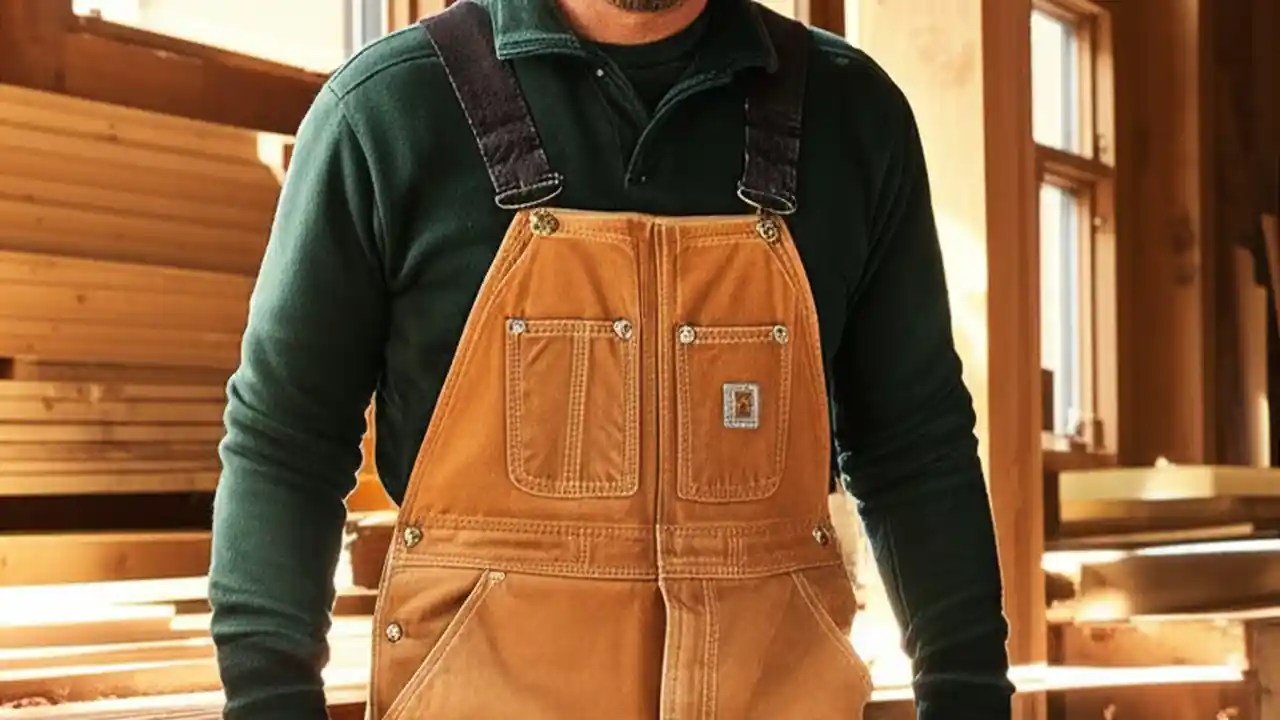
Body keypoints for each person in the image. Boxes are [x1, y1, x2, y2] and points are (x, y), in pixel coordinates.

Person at [209, 0, 1014, 717]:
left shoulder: (854, 119)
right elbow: (286, 444)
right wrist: (272, 700)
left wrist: (969, 694)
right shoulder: (387, 114)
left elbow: (916, 450)